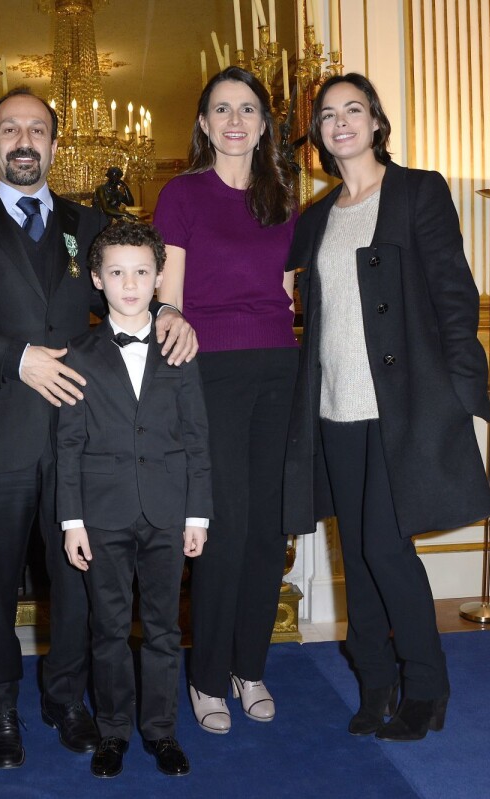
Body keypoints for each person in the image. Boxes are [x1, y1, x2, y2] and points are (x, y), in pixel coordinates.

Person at [0, 88, 197, 769]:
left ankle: (67, 697)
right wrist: (18, 358)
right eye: (10, 129)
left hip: (90, 441)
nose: (24, 140)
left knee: (79, 579)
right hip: (0, 433)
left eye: (37, 129)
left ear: (53, 143)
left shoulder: (90, 223)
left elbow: (127, 292)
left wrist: (167, 312)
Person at [283, 73, 490, 741]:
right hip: (334, 409)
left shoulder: (417, 192)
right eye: (328, 114)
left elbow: (455, 295)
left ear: (377, 123)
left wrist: (465, 395)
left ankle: (426, 686)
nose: (341, 122)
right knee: (357, 553)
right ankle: (374, 682)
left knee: (385, 546)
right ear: (318, 134)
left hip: (402, 407)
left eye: (354, 109)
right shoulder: (315, 217)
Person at [152, 65, 299, 734]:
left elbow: (288, 297)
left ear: (263, 125)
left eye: (247, 109)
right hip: (210, 372)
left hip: (279, 371)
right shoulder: (182, 194)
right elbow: (169, 300)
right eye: (221, 109)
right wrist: (169, 324)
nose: (234, 120)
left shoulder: (284, 200)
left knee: (269, 530)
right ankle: (208, 676)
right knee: (224, 529)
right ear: (204, 124)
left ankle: (250, 667)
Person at [57, 222, 212, 779]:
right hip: (102, 514)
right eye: (117, 273)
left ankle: (162, 731)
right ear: (97, 279)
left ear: (159, 278)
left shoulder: (180, 348)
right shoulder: (78, 353)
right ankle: (114, 732)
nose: (129, 284)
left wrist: (198, 514)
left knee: (165, 628)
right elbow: (69, 444)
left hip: (168, 512)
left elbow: (197, 437)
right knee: (109, 629)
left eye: (141, 272)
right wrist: (72, 522)